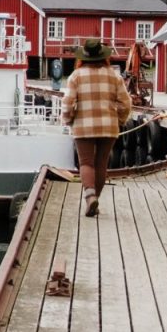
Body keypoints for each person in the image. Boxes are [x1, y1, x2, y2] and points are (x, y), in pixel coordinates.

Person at [61, 38, 132, 217]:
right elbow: (125, 103)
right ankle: (94, 199)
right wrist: (121, 120)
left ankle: (90, 197)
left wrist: (67, 120)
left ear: (83, 57)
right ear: (103, 57)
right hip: (108, 126)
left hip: (83, 126)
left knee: (86, 162)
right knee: (101, 163)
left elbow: (68, 103)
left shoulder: (76, 76)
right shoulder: (114, 76)